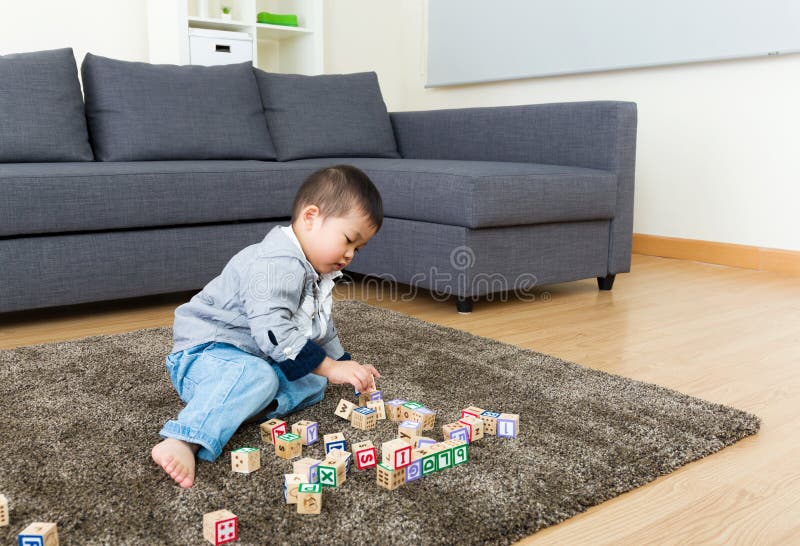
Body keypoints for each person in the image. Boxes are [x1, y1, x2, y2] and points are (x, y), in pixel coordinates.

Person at [151, 165, 382, 488]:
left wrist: (344, 364)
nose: (349, 255)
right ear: (311, 217)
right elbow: (273, 330)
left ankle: (237, 405)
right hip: (205, 355)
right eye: (347, 240)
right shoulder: (275, 263)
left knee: (314, 381)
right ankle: (184, 438)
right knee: (258, 375)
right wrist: (330, 367)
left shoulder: (317, 273)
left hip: (253, 355)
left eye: (357, 249)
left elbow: (321, 328)